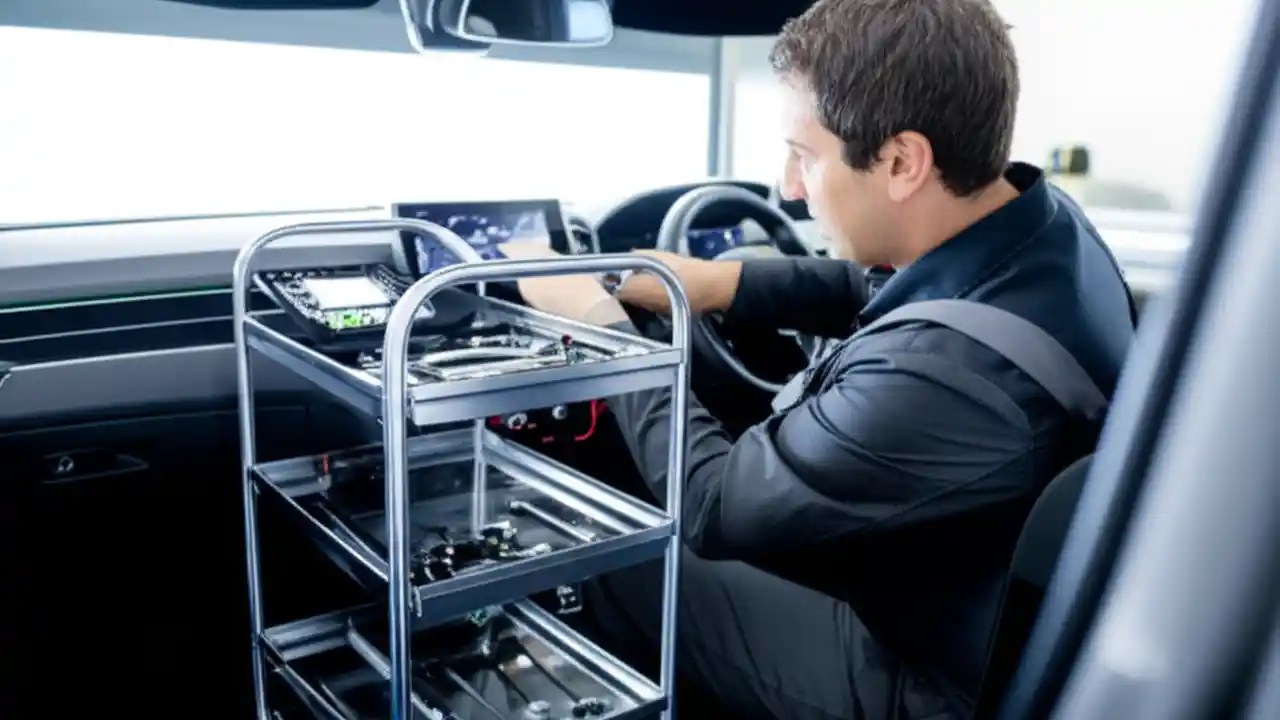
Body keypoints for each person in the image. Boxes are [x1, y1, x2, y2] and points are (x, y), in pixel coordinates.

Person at [502, 0, 1136, 717]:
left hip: (930, 682)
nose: (788, 188)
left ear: (901, 162)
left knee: (616, 558)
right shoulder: (1044, 231)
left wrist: (600, 327)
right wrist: (720, 283)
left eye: (805, 154)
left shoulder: (940, 377)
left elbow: (711, 502)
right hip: (988, 605)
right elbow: (897, 289)